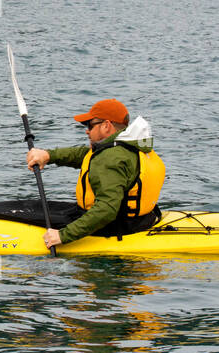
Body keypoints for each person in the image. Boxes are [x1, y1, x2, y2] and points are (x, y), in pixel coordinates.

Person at [25, 98, 166, 250]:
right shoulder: (129, 146)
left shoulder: (110, 158)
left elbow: (106, 209)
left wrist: (62, 235)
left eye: (90, 125)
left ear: (106, 126)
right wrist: (48, 155)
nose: (87, 130)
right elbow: (85, 155)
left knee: (21, 211)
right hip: (142, 220)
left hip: (114, 227)